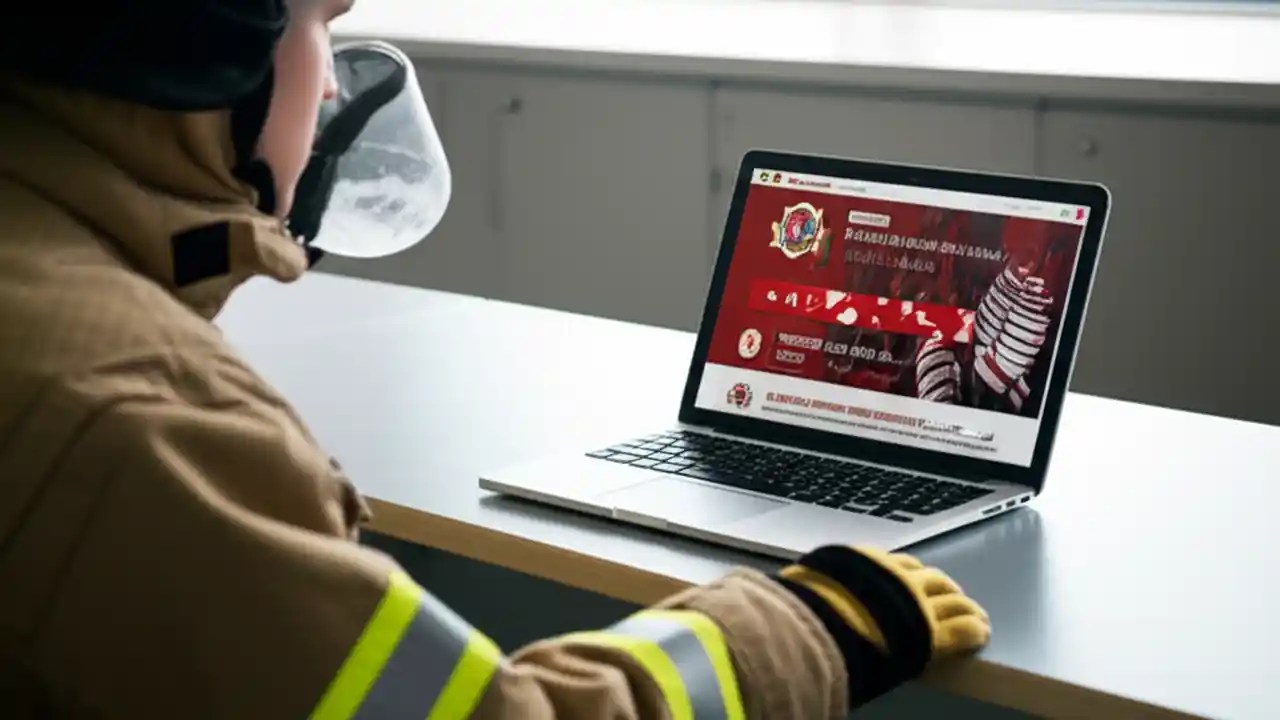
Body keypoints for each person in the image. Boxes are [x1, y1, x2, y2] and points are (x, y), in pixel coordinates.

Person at [0, 1, 992, 717]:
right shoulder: (133, 418)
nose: (337, 81)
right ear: (204, 44)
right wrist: (802, 627)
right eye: (318, 28)